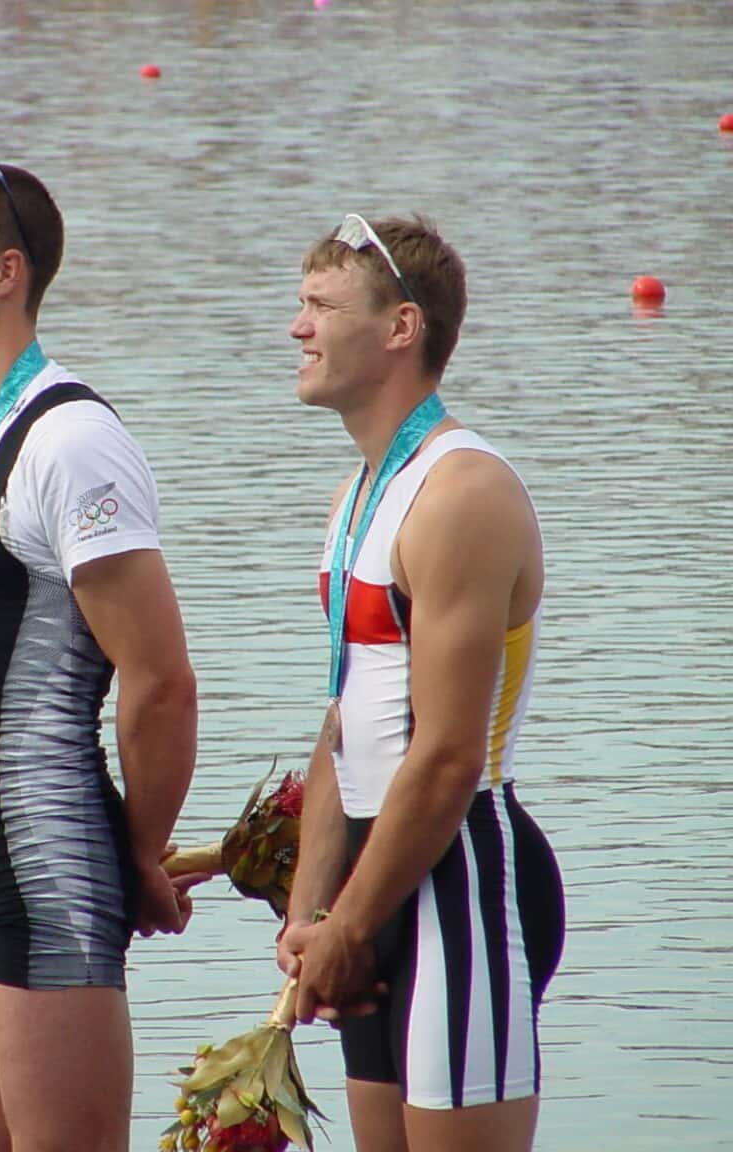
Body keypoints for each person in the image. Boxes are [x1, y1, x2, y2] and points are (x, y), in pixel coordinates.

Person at [0, 156, 200, 1152]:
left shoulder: (73, 442)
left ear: (5, 272)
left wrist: (142, 852)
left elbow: (158, 680)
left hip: (48, 863)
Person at [278, 215, 566, 1152]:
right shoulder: (355, 495)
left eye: (320, 305)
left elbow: (444, 756)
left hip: (461, 874)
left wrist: (351, 919)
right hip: (372, 882)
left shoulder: (461, 493)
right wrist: (312, 909)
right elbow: (343, 722)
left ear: (402, 327)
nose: (297, 327)